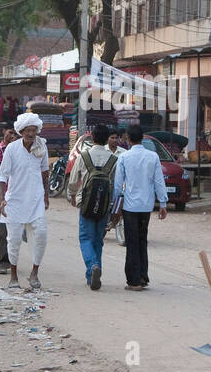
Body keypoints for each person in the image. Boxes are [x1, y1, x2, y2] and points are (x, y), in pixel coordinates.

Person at [0, 112, 50, 290]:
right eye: (28, 130)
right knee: (14, 240)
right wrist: (2, 199)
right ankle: (13, 276)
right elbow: (2, 176)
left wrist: (46, 196)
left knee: (41, 235)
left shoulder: (41, 146)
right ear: (21, 131)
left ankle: (34, 273)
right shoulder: (12, 149)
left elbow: (45, 172)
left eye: (34, 130)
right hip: (15, 201)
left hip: (36, 199)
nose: (31, 134)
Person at [111, 124, 166, 291]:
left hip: (129, 205)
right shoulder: (153, 157)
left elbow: (118, 185)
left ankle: (134, 280)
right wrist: (163, 203)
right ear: (143, 138)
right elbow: (158, 181)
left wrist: (115, 206)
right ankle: (143, 276)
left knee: (132, 241)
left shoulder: (124, 157)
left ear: (127, 139)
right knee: (142, 239)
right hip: (146, 205)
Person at [67, 124, 121, 290]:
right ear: (106, 139)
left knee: (85, 238)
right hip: (104, 204)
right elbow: (117, 186)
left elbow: (73, 181)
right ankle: (92, 276)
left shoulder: (83, 156)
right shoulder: (113, 159)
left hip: (86, 202)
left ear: (92, 138)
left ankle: (92, 267)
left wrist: (72, 195)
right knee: (98, 240)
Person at [0, 126, 19, 273]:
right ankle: (2, 262)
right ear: (4, 131)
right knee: (2, 230)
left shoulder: (19, 149)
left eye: (15, 133)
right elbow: (1, 167)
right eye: (10, 132)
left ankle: (12, 260)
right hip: (0, 194)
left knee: (15, 229)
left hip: (16, 194)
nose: (12, 135)